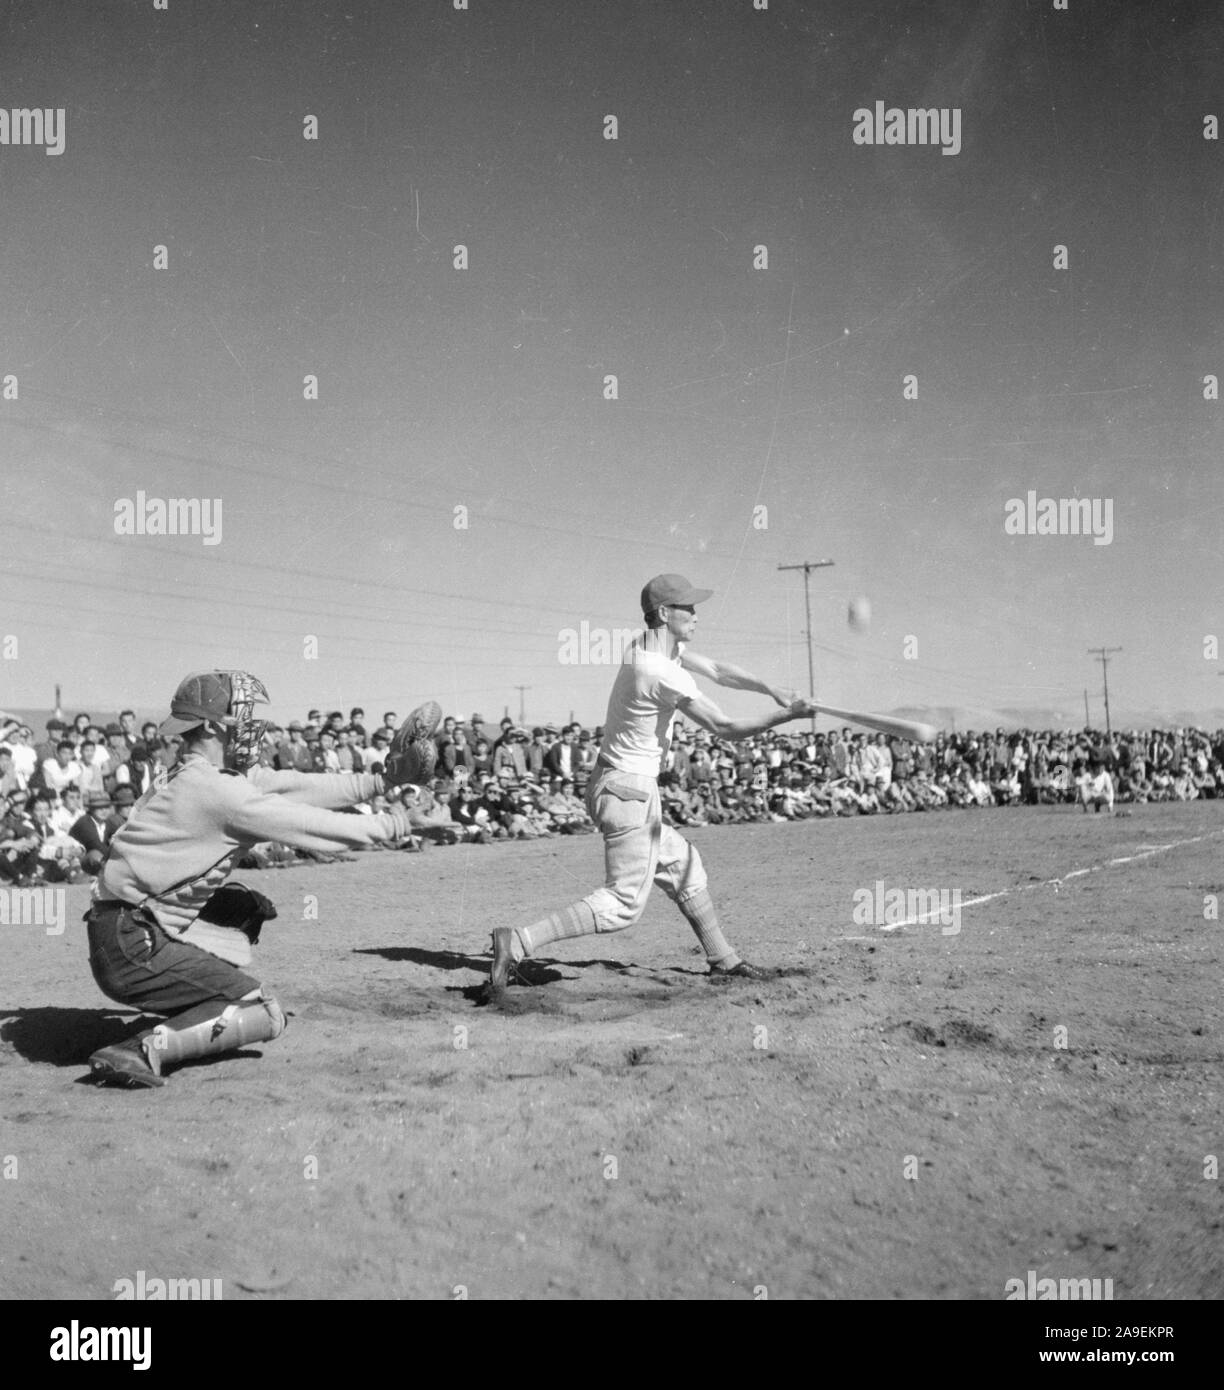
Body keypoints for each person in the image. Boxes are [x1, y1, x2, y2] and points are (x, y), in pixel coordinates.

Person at [83, 670, 440, 1088]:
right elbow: (305, 822)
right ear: (215, 726)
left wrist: (382, 781)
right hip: (132, 944)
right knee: (262, 1012)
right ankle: (140, 1049)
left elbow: (295, 787)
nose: (251, 725)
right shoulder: (219, 792)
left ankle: (195, 987)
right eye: (242, 715)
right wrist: (398, 824)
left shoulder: (194, 773)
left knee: (243, 906)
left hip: (120, 929)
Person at [489, 574, 818, 994]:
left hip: (622, 785)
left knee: (684, 866)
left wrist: (770, 688)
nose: (697, 615)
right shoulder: (658, 670)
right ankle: (517, 942)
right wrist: (788, 717)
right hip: (629, 792)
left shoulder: (651, 647)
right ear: (664, 613)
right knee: (624, 905)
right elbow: (725, 725)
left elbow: (717, 669)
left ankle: (723, 959)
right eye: (689, 608)